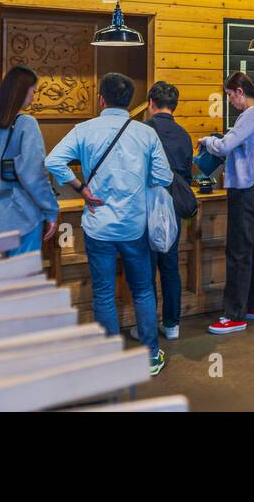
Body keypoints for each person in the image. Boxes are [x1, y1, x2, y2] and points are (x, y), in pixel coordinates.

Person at [45, 72, 173, 376]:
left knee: (102, 292)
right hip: (134, 225)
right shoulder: (145, 133)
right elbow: (164, 177)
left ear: (101, 99)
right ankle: (151, 355)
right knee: (142, 290)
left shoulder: (84, 130)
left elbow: (52, 161)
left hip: (98, 225)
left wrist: (80, 188)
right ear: (129, 101)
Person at [199, 71, 254, 335]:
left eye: (230, 96)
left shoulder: (249, 116)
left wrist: (206, 141)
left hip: (244, 191)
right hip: (251, 189)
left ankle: (234, 315)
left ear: (240, 93)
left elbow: (224, 146)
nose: (230, 101)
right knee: (249, 248)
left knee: (238, 253)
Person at [0, 66, 60, 256]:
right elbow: (35, 175)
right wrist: (51, 210)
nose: (34, 96)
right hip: (22, 216)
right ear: (22, 90)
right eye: (33, 91)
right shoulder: (26, 123)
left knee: (11, 281)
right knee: (25, 281)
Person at [143, 80, 192, 339]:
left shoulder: (142, 131)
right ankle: (172, 324)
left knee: (147, 268)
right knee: (170, 267)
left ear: (151, 103)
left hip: (146, 204)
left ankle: (148, 327)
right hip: (173, 206)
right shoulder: (184, 135)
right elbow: (188, 175)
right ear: (174, 106)